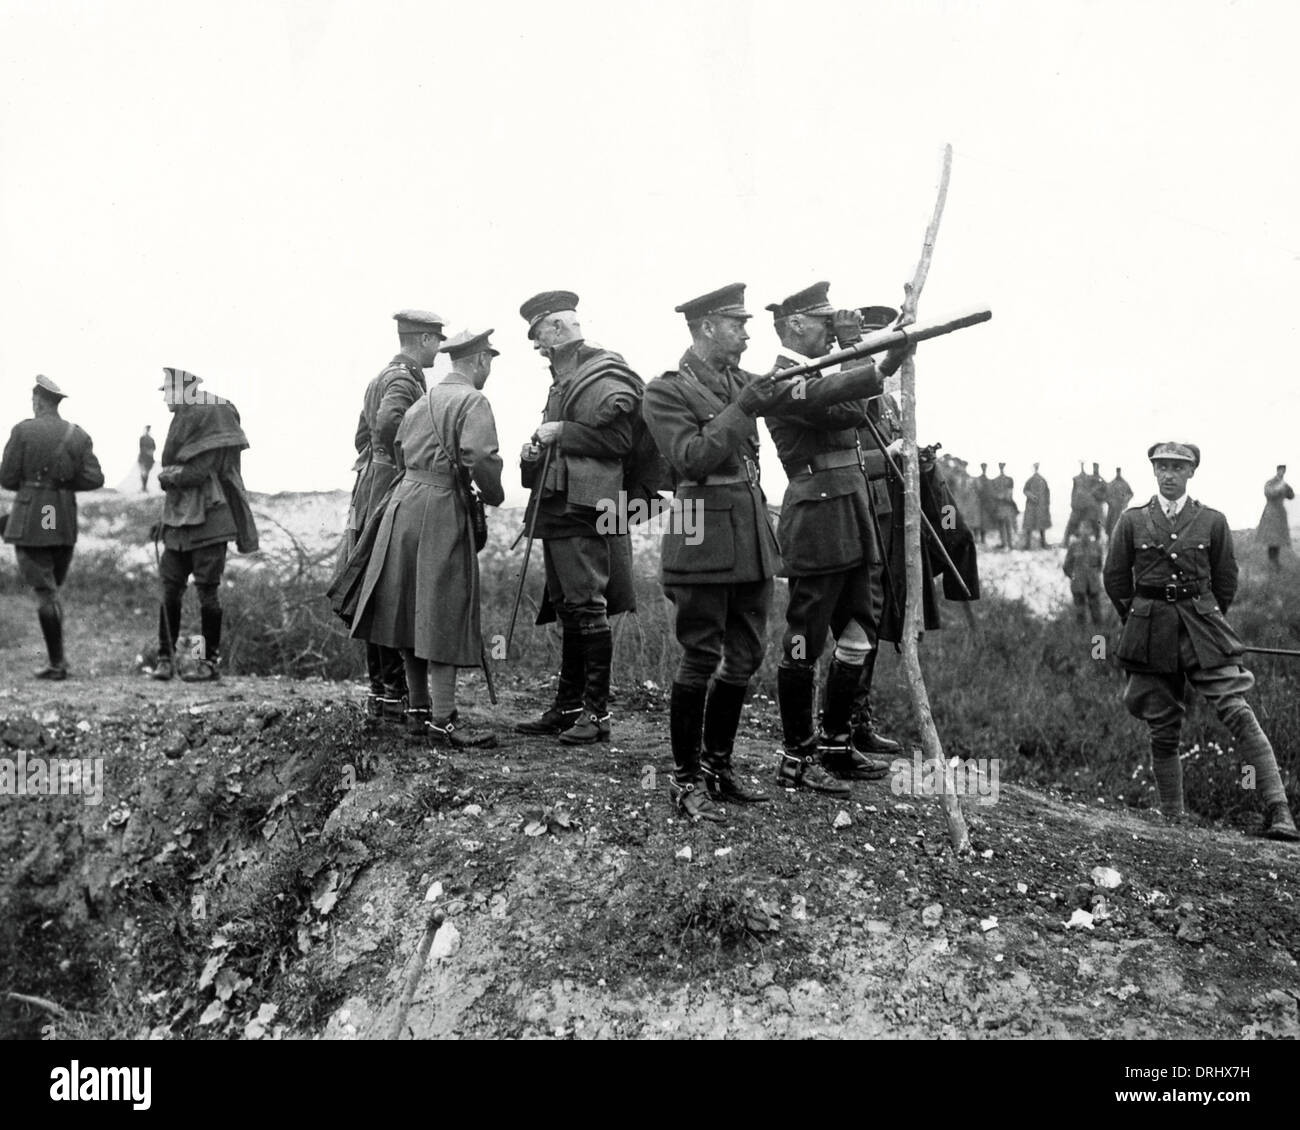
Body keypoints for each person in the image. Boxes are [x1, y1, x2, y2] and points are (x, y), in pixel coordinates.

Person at [1103, 442, 1298, 841]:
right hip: (1149, 630)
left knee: (1238, 711)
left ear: (1191, 472)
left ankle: (1279, 811)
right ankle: (1173, 819)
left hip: (1203, 630)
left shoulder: (1212, 520)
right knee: (1162, 725)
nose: (1169, 474)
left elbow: (1226, 580)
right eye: (1162, 467)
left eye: (1178, 467)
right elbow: (1116, 578)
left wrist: (1205, 618)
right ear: (1154, 472)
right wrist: (1138, 620)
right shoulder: (1132, 521)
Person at [349, 330, 504, 748]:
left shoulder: (421, 400)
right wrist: (494, 495)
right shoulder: (473, 401)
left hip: (403, 505)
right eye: (490, 362)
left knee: (410, 611)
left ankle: (418, 710)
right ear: (480, 362)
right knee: (443, 610)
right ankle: (443, 720)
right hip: (440, 509)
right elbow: (482, 458)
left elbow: (395, 443)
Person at [515, 291, 640, 746]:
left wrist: (562, 431)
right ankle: (568, 707)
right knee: (569, 606)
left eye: (538, 336)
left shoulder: (603, 370)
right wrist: (536, 451)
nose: (535, 347)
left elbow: (622, 440)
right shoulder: (564, 377)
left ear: (557, 328)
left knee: (587, 605)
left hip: (585, 506)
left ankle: (597, 714)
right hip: (561, 506)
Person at [346, 310, 445, 727]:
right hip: (388, 481)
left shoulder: (381, 375)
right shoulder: (405, 378)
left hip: (370, 478)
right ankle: (391, 691)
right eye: (437, 341)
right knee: (385, 585)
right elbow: (388, 423)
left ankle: (382, 691)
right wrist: (405, 457)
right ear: (423, 339)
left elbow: (360, 436)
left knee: (374, 582)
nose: (440, 349)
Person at [151, 369, 258, 682]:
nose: (166, 397)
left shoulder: (208, 417)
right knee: (170, 591)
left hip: (210, 520)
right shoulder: (185, 418)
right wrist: (164, 517)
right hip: (178, 521)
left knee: (205, 594)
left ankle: (205, 662)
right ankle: (165, 659)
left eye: (169, 390)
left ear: (185, 390)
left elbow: (197, 472)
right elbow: (181, 471)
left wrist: (167, 477)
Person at [0, 375, 104, 679]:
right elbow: (95, 479)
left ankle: (57, 664)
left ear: (37, 401)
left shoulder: (23, 431)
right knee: (52, 590)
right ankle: (58, 661)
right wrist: (63, 482)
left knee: (45, 593)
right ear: (57, 404)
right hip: (61, 519)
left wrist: (36, 483)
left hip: (34, 517)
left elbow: (6, 478)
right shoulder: (77, 434)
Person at [1062, 521, 1103, 626]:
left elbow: (1100, 564)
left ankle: (1098, 634)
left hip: (1093, 583)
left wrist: (1095, 575)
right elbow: (1067, 565)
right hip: (1078, 583)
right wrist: (1073, 576)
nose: (1085, 532)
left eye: (1087, 529)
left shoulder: (1097, 546)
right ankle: (1080, 635)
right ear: (1079, 530)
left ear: (1092, 531)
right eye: (1083, 528)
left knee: (1096, 611)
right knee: (1080, 612)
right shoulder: (1074, 546)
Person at [1256, 465, 1292, 568]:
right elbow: (1268, 493)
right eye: (1281, 470)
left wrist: (1287, 488)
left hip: (1280, 513)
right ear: (1277, 470)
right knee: (1271, 538)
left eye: (1284, 470)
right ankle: (1272, 561)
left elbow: (1291, 496)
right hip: (1271, 513)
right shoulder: (1270, 483)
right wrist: (1279, 488)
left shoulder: (1284, 484)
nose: (1282, 472)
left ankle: (1275, 561)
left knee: (1278, 539)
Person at [1065, 460, 1102, 541]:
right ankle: (1066, 541)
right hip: (1078, 505)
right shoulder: (1076, 479)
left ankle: (1097, 541)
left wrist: (1094, 493)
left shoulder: (1091, 478)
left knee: (1094, 522)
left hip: (1089, 506)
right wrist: (1073, 503)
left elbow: (1101, 485)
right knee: (1072, 522)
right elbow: (1073, 491)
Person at [1021, 462, 1051, 548]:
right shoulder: (1030, 480)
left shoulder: (1043, 480)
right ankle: (1027, 545)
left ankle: (1043, 544)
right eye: (1035, 467)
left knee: (1042, 527)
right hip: (1031, 507)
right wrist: (1032, 496)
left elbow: (1047, 493)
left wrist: (1046, 505)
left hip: (1040, 507)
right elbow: (1025, 490)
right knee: (1029, 527)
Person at [992, 462, 1018, 549]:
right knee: (1001, 525)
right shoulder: (995, 480)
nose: (1001, 468)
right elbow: (994, 493)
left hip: (1006, 505)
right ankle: (1004, 543)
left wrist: (1003, 496)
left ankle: (1009, 544)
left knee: (1008, 525)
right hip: (1000, 505)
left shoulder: (1009, 479)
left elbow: (1010, 493)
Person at [1104, 467, 1132, 537]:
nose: (1118, 473)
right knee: (1111, 527)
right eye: (1117, 471)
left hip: (1121, 509)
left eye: (1119, 471)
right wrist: (1111, 502)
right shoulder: (1111, 484)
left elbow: (1130, 494)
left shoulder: (1124, 483)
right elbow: (1106, 496)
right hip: (1112, 511)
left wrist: (1125, 501)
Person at [972, 463, 993, 544]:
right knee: (976, 521)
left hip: (985, 504)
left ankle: (983, 539)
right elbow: (974, 491)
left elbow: (990, 492)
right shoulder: (977, 480)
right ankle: (976, 538)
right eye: (983, 468)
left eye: (985, 468)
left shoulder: (988, 480)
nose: (984, 469)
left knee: (984, 522)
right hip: (977, 503)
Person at [138, 425, 156, 492]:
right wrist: (148, 451)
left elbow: (154, 448)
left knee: (146, 473)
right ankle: (143, 487)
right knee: (143, 472)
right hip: (143, 458)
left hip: (149, 459)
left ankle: (144, 487)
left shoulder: (152, 439)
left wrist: (151, 452)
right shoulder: (142, 438)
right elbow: (141, 447)